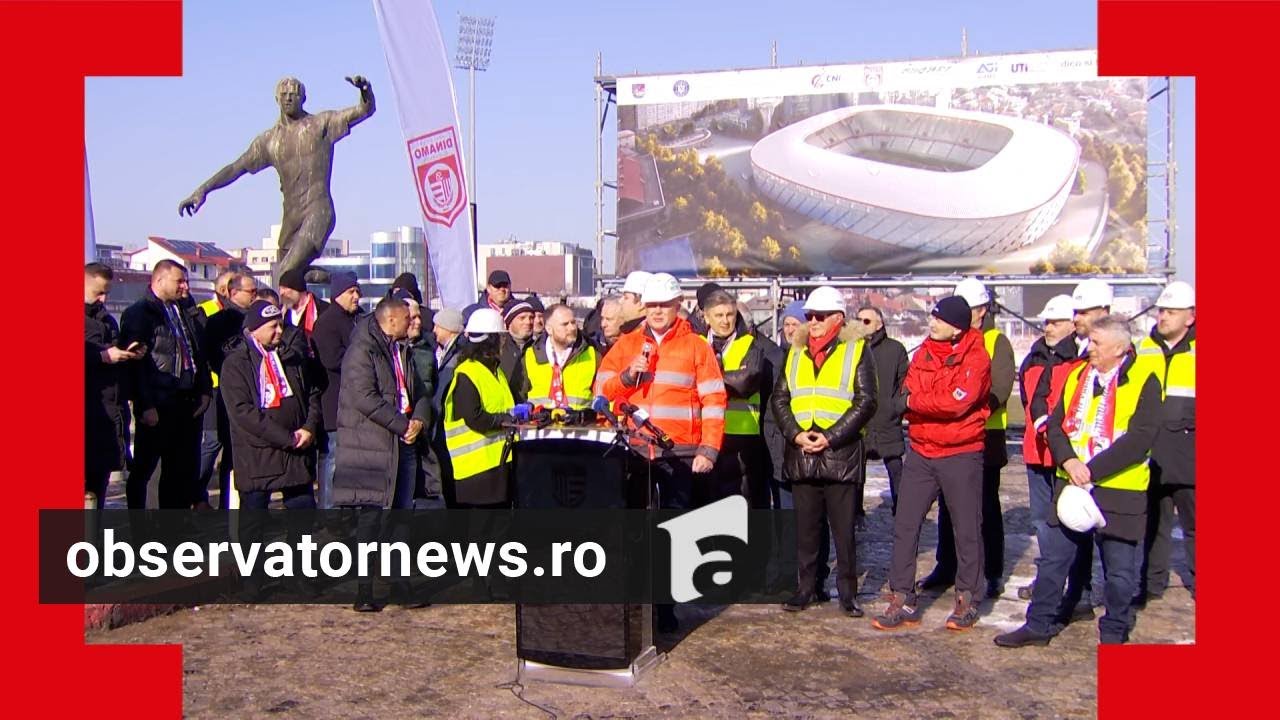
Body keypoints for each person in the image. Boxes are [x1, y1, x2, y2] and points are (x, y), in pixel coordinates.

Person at [995, 315, 1164, 647]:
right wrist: (1069, 461)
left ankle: (1114, 629)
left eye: (1098, 343)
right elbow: (1055, 425)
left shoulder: (1146, 378)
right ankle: (1039, 625)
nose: (1090, 349)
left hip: (1119, 489)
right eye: (1090, 341)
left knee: (1118, 569)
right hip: (1070, 483)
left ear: (1120, 348)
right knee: (1054, 559)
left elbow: (1140, 438)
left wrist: (1093, 470)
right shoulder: (1077, 375)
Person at [597, 272, 727, 632]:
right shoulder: (627, 343)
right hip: (634, 451)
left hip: (679, 453)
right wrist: (625, 377)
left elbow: (715, 399)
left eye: (664, 305)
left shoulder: (697, 347)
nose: (657, 311)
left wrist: (709, 449)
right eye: (651, 305)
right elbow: (601, 389)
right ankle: (637, 603)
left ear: (677, 306)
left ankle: (665, 609)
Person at [178, 75, 376, 278]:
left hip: (318, 212)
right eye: (284, 95)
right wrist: (203, 189)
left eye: (294, 94)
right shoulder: (269, 141)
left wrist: (365, 92)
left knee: (283, 274)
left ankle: (333, 281)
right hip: (291, 218)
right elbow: (236, 168)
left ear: (303, 98)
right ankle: (335, 279)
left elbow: (364, 111)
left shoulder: (321, 124)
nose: (288, 98)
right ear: (277, 99)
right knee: (292, 279)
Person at [873, 295, 990, 632]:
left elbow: (957, 403)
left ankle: (967, 598)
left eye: (938, 319)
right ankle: (902, 598)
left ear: (956, 326)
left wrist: (916, 403)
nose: (932, 323)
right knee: (905, 524)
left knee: (966, 529)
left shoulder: (977, 356)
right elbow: (905, 394)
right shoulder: (924, 350)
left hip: (961, 453)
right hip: (922, 451)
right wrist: (918, 402)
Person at [771, 286, 877, 617]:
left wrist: (830, 437)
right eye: (809, 316)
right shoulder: (796, 351)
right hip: (802, 450)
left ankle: (847, 594)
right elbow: (780, 398)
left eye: (819, 317)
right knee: (805, 528)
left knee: (843, 530)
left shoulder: (857, 350)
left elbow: (866, 400)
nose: (812, 322)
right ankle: (806, 588)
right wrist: (795, 434)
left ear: (838, 319)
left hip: (839, 453)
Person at [919, 279, 1015, 599]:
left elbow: (999, 388)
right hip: (948, 437)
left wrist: (967, 410)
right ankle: (945, 566)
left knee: (984, 507)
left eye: (970, 309)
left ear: (982, 311)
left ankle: (992, 572)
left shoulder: (995, 341)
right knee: (948, 505)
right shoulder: (948, 341)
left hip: (984, 437)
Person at [1025, 278, 1115, 614]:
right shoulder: (1065, 354)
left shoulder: (1119, 356)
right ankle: (1070, 599)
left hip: (1103, 460)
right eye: (1074, 313)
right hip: (1066, 457)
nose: (1076, 318)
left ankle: (1099, 603)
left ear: (1104, 312)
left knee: (1105, 539)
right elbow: (1042, 399)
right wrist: (1047, 428)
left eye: (1082, 312)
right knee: (1062, 527)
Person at [120, 260, 213, 509]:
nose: (185, 286)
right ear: (160, 281)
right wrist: (145, 404)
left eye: (186, 281)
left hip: (186, 402)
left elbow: (197, 351)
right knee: (148, 470)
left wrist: (203, 391)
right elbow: (137, 365)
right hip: (158, 402)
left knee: (181, 469)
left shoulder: (186, 309)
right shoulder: (140, 313)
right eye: (179, 281)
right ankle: (145, 531)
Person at [1015, 295, 1087, 603]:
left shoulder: (1081, 360)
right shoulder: (1033, 358)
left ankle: (1079, 588)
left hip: (1067, 457)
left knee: (1073, 521)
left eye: (1055, 322)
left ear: (1072, 323)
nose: (1048, 327)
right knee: (1042, 521)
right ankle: (1049, 580)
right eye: (1046, 322)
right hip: (1036, 451)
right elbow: (1027, 402)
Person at [219, 300, 322, 509]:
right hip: (258, 456)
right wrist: (286, 438)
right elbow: (243, 412)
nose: (279, 331)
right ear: (254, 330)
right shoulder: (236, 363)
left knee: (303, 517)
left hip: (296, 454)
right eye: (272, 327)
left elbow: (311, 393)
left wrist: (309, 427)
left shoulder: (289, 357)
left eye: (280, 325)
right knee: (254, 526)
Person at [1138, 280, 1196, 603]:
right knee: (1154, 527)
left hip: (1190, 455)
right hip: (1153, 455)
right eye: (1162, 310)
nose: (1163, 317)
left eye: (1171, 312)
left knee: (1196, 528)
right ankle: (1151, 585)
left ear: (1190, 317)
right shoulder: (1144, 348)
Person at [442, 308, 520, 508]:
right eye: (501, 338)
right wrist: (505, 420)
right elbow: (475, 418)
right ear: (491, 340)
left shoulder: (495, 370)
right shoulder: (467, 373)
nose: (504, 343)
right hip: (477, 474)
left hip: (498, 466)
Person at [701, 290, 770, 507]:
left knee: (741, 499)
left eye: (729, 315)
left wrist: (707, 381)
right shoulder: (698, 344)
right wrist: (729, 378)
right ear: (706, 317)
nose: (725, 321)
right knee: (708, 499)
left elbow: (745, 383)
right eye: (719, 315)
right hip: (705, 434)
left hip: (742, 435)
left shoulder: (749, 344)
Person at [197, 272, 259, 509]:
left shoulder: (254, 318)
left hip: (254, 393)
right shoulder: (219, 321)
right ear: (234, 293)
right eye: (250, 292)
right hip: (224, 392)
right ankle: (218, 500)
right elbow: (213, 356)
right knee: (219, 446)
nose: (255, 296)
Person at [85, 263, 144, 508]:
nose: (103, 298)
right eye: (97, 292)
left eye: (106, 292)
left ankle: (90, 539)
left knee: (99, 486)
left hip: (108, 413)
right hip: (87, 408)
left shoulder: (107, 319)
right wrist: (100, 357)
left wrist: (128, 355)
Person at [311, 271, 363, 509]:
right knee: (332, 461)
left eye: (357, 291)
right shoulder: (326, 323)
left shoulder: (360, 319)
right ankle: (328, 514)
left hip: (356, 405)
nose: (356, 296)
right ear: (338, 294)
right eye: (351, 292)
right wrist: (363, 361)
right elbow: (332, 359)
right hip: (334, 405)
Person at [854, 305, 908, 516]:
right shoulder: (851, 348)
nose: (861, 324)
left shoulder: (895, 349)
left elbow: (905, 384)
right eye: (858, 320)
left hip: (887, 420)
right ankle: (854, 513)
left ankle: (902, 510)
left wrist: (896, 408)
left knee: (896, 469)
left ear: (879, 324)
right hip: (860, 421)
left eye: (866, 321)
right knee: (857, 472)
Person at [396, 290, 439, 501]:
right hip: (398, 428)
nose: (417, 322)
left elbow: (432, 389)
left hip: (423, 427)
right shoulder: (390, 351)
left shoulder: (427, 348)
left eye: (418, 316)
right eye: (411, 318)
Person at [517, 303, 599, 410]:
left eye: (573, 322)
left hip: (580, 425)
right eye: (565, 324)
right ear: (549, 329)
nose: (572, 328)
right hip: (540, 424)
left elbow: (602, 396)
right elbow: (520, 397)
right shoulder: (531, 356)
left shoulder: (592, 354)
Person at [429, 308, 465, 505]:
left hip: (448, 423)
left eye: (438, 326)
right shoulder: (446, 351)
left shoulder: (457, 354)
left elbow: (445, 386)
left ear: (449, 328)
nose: (434, 330)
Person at [278, 267, 330, 346]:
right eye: (280, 289)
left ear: (298, 289)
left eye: (285, 288)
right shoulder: (280, 313)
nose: (281, 293)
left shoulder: (323, 310)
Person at [499, 299, 538, 392]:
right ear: (509, 322)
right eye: (522, 318)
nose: (528, 322)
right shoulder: (498, 349)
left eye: (531, 317)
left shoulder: (539, 348)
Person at [617, 270, 652, 336]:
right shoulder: (633, 331)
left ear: (642, 303)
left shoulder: (644, 335)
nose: (620, 301)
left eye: (626, 297)